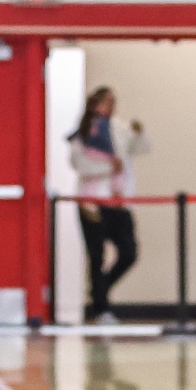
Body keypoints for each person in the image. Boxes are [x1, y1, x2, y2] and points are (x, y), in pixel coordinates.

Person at [70, 86, 148, 325]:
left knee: (129, 253)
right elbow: (79, 164)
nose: (110, 107)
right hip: (92, 202)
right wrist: (107, 168)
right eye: (105, 102)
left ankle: (99, 291)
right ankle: (101, 307)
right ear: (95, 104)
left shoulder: (119, 127)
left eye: (113, 101)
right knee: (96, 256)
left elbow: (139, 151)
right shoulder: (84, 132)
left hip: (118, 201)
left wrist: (138, 134)